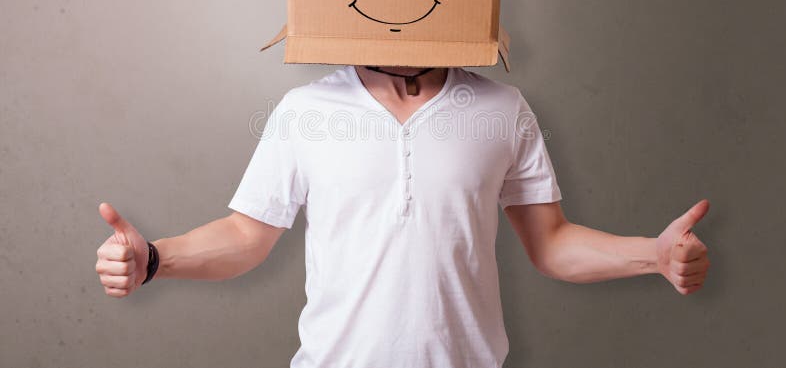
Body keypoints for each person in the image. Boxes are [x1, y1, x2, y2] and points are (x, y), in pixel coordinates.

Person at [95, 64, 711, 368]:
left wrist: (651, 256)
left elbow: (550, 243)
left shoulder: (501, 107)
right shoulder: (306, 109)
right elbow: (246, 236)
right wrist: (154, 259)